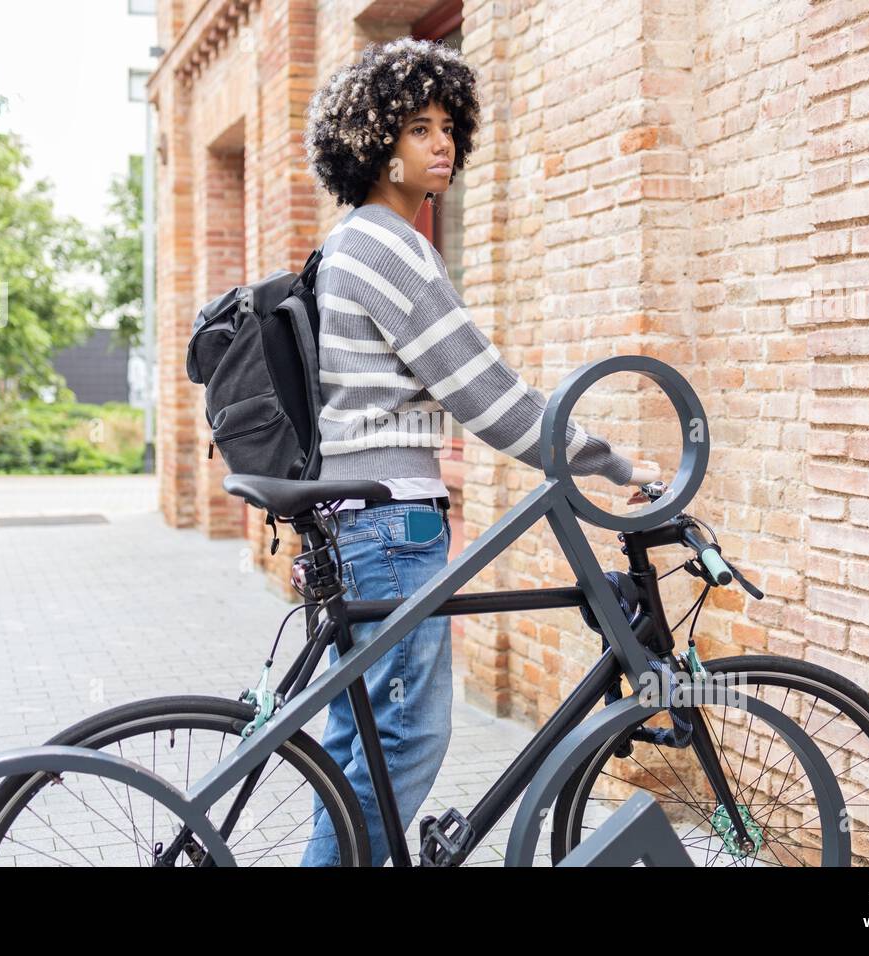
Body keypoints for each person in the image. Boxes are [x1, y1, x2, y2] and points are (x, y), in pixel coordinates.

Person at [298, 36, 660, 866]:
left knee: (364, 757)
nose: (443, 144)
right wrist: (605, 459)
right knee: (410, 740)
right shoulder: (389, 246)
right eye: (419, 127)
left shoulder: (352, 242)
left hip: (360, 523)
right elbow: (487, 397)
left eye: (448, 125)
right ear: (374, 142)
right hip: (389, 530)